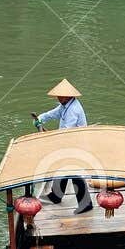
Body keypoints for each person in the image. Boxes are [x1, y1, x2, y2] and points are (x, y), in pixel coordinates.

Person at [31, 79, 91, 212]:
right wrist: (40, 119)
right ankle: (57, 196)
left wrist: (52, 139)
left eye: (60, 96)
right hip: (67, 143)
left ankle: (86, 204)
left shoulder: (73, 110)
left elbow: (66, 132)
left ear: (67, 96)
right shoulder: (65, 105)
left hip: (75, 144)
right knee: (62, 169)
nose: (58, 98)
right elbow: (54, 113)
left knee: (73, 173)